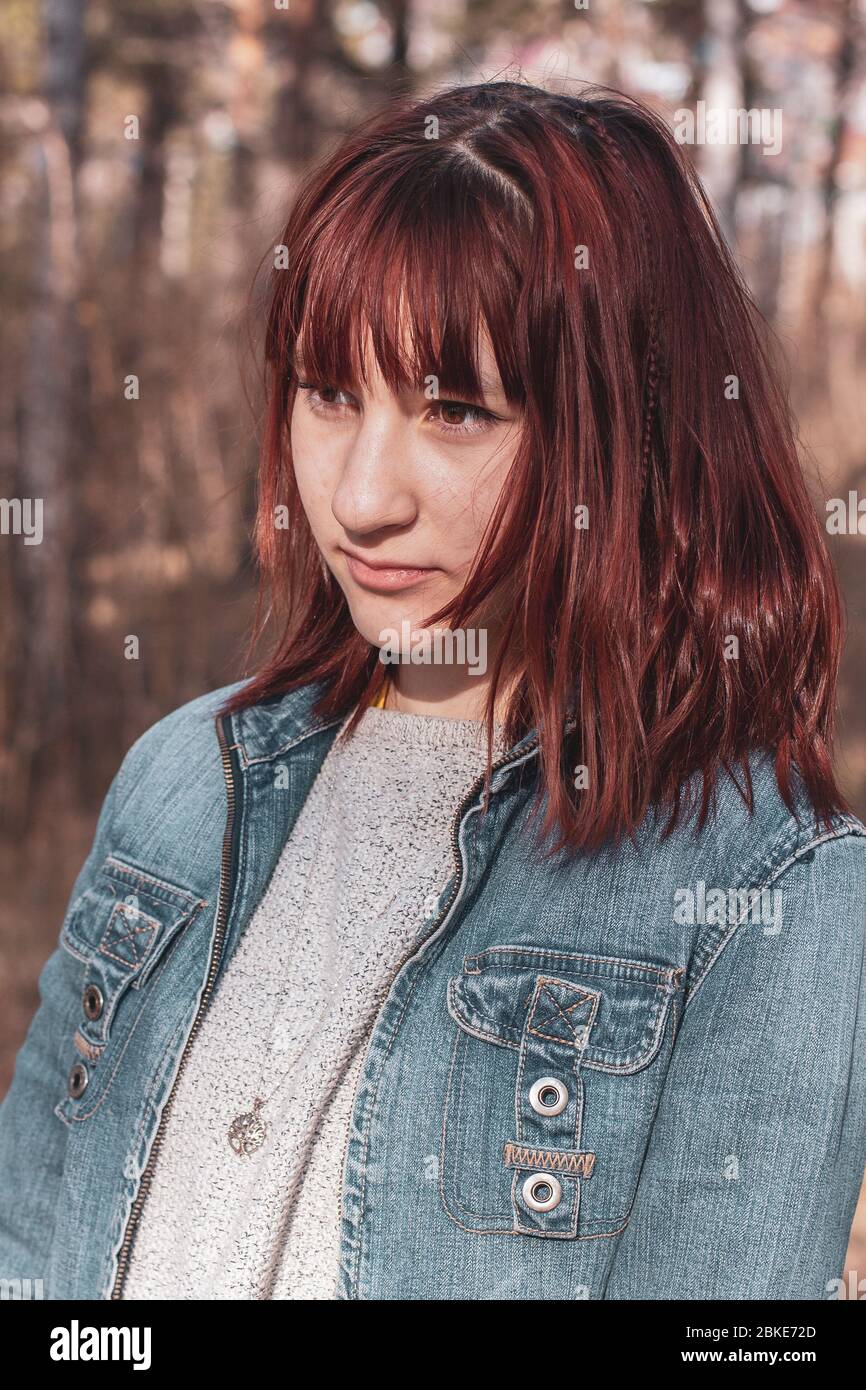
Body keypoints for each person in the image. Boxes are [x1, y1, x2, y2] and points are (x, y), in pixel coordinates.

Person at [1, 78, 864, 1302]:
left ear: (619, 435)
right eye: (328, 393)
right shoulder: (180, 782)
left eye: (454, 410)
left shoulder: (762, 890)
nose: (360, 497)